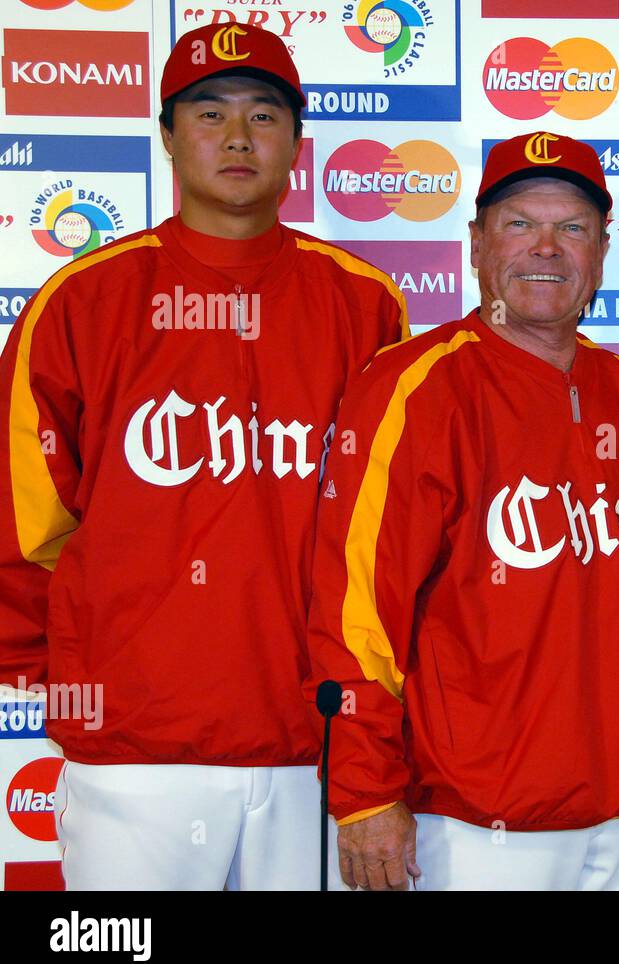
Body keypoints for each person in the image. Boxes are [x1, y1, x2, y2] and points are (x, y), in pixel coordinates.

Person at [0, 23, 407, 889]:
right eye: (209, 112)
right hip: (136, 752)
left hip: (315, 745)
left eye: (263, 114)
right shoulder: (83, 300)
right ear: (166, 135)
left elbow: (391, 539)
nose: (237, 136)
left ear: (296, 142)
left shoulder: (365, 303)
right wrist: (82, 678)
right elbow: (21, 520)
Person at [308, 131, 619, 891]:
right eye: (520, 224)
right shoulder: (415, 385)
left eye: (572, 227)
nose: (546, 248)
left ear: (601, 252)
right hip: (480, 822)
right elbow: (357, 611)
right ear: (477, 243)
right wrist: (366, 792)